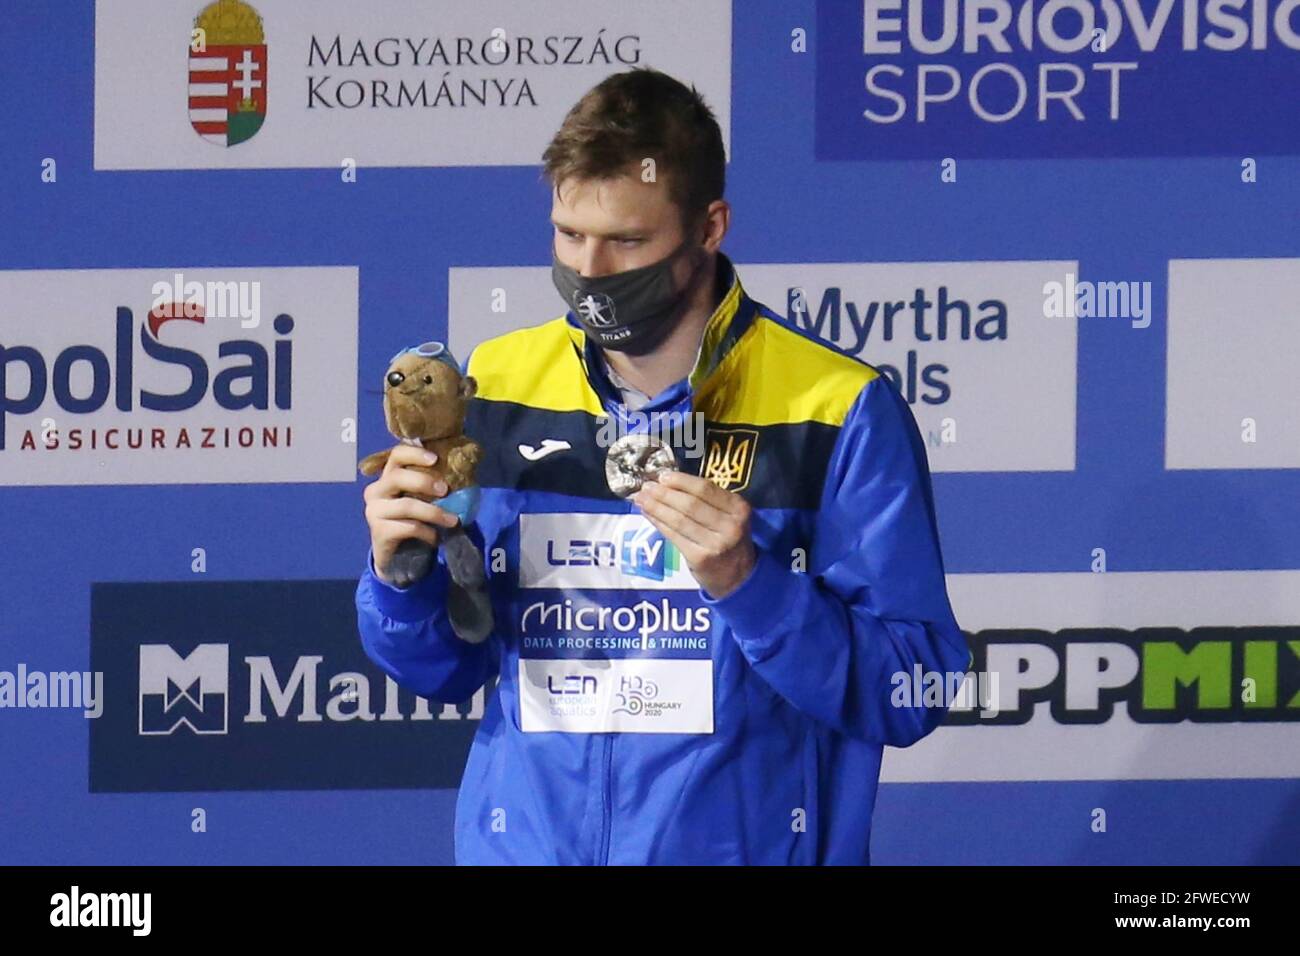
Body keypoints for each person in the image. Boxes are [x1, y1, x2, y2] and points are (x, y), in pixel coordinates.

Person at [356, 67, 969, 865]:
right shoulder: (496, 384)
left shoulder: (834, 407)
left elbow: (910, 688)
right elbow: (442, 668)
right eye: (569, 235)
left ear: (710, 227)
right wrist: (400, 582)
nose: (592, 272)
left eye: (628, 241)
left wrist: (753, 585)